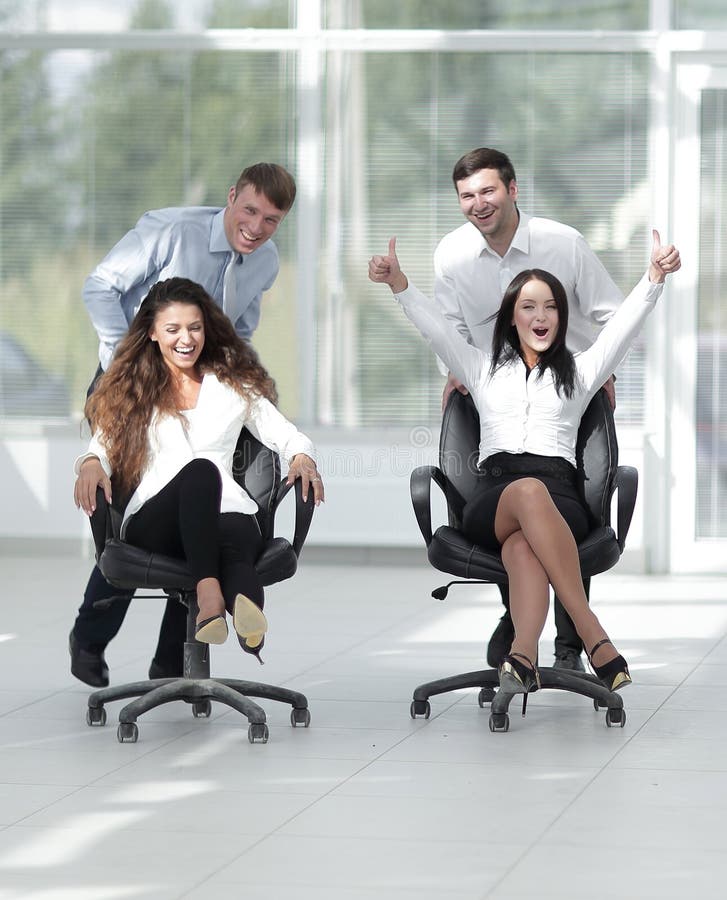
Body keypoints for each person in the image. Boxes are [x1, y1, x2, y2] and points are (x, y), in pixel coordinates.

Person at [368, 230, 680, 698]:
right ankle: (591, 630)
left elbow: (621, 328)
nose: (541, 316)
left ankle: (522, 657)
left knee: (522, 549)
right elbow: (435, 328)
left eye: (551, 307)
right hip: (494, 499)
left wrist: (654, 277)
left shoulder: (582, 372)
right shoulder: (481, 368)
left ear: (561, 317)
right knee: (526, 492)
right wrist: (399, 283)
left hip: (561, 498)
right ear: (512, 317)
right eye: (529, 306)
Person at [69, 162, 297, 688]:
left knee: (202, 510)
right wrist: (125, 360)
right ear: (232, 196)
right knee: (133, 516)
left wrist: (240, 388)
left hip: (201, 386)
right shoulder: (173, 231)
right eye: (250, 211)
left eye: (271, 220)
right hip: (133, 386)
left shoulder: (265, 262)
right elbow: (99, 286)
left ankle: (173, 659)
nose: (256, 228)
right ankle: (90, 637)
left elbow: (239, 331)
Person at [433, 147, 626, 672]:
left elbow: (612, 314)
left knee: (566, 500)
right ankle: (535, 627)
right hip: (492, 394)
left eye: (488, 191)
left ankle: (564, 644)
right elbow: (446, 326)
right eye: (467, 196)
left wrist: (600, 370)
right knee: (518, 511)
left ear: (512, 190)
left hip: (570, 391)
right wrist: (457, 368)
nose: (479, 204)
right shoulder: (452, 254)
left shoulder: (562, 243)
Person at [74, 278, 324, 665]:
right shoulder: (134, 389)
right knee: (202, 472)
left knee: (237, 533)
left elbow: (286, 434)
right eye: (173, 329)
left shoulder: (231, 386)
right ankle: (213, 595)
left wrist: (302, 457)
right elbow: (101, 447)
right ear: (153, 333)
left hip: (224, 514)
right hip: (156, 521)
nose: (186, 339)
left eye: (194, 328)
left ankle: (243, 614)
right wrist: (90, 463)